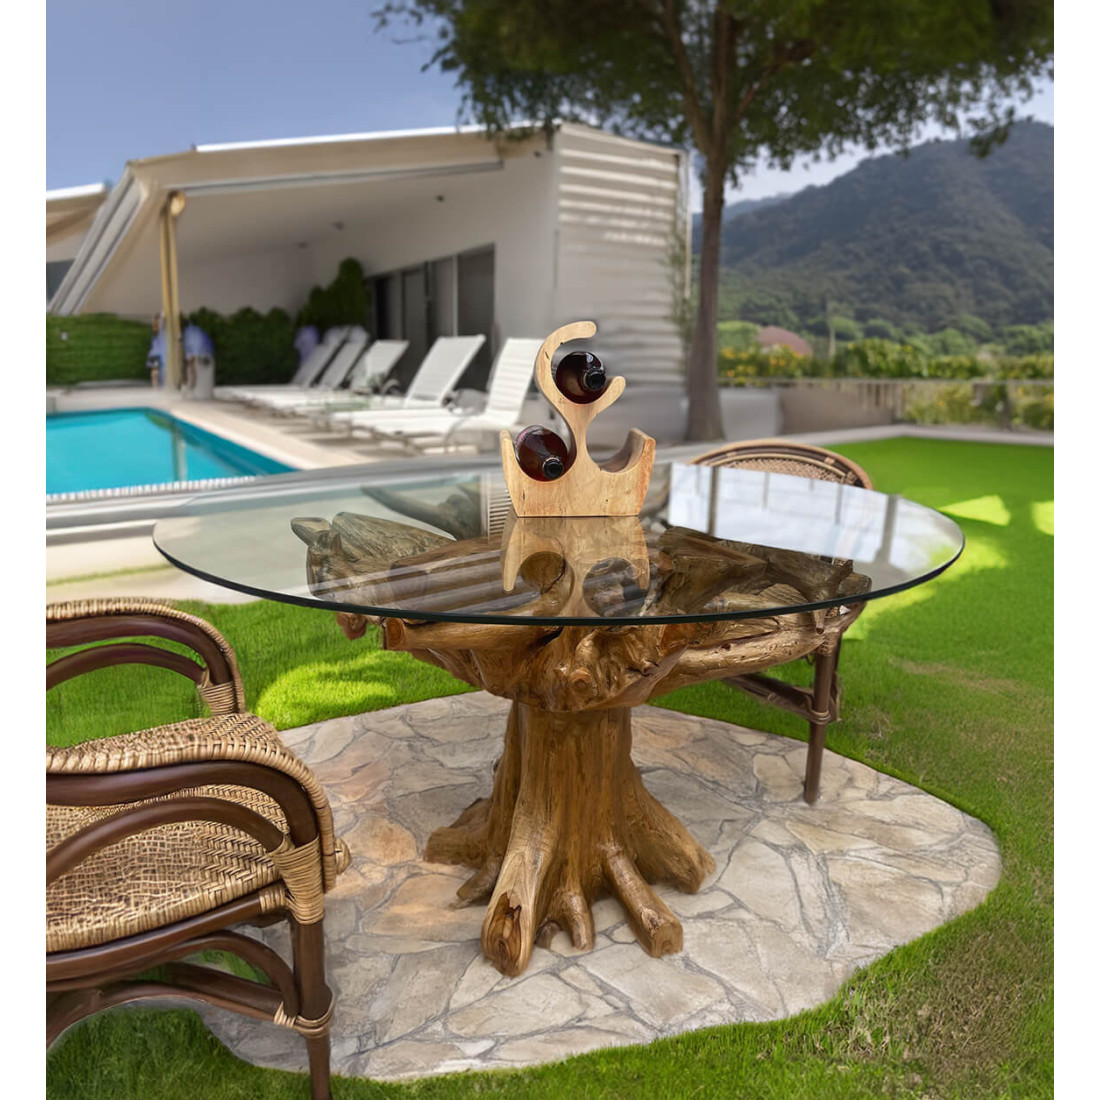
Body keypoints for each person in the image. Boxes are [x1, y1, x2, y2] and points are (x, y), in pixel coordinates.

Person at [182, 320, 214, 392]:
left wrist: (190, 355)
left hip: (201, 352)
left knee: (191, 369)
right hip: (205, 351)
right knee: (192, 369)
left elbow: (192, 345)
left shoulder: (189, 332)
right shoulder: (193, 330)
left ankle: (191, 387)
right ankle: (192, 386)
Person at [147, 313, 166, 388]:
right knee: (156, 370)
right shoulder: (159, 330)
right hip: (157, 353)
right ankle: (156, 385)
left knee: (154, 370)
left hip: (153, 353)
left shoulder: (154, 330)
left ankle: (155, 385)